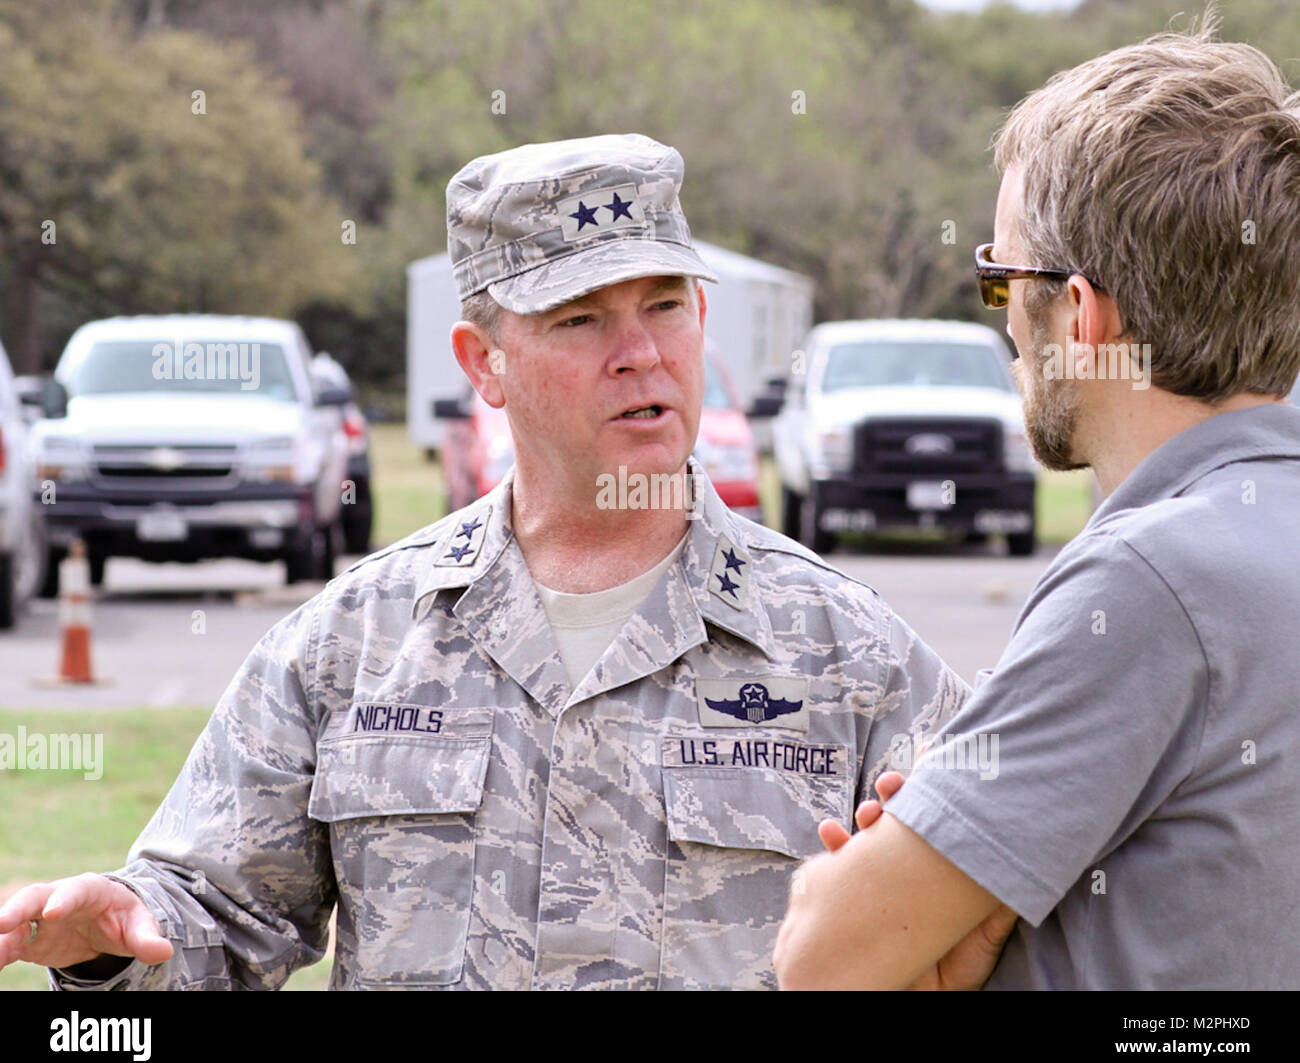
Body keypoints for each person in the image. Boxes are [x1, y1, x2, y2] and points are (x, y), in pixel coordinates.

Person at [0, 133, 970, 990]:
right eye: (579, 318)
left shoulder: (849, 654)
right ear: (482, 363)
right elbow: (212, 924)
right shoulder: (352, 643)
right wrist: (108, 942)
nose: (639, 352)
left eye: (664, 305)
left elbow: (998, 924)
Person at [775, 22, 1300, 990]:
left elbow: (824, 953)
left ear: (1083, 314)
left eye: (999, 278)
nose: (1005, 318)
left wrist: (941, 915)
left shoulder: (1155, 580)